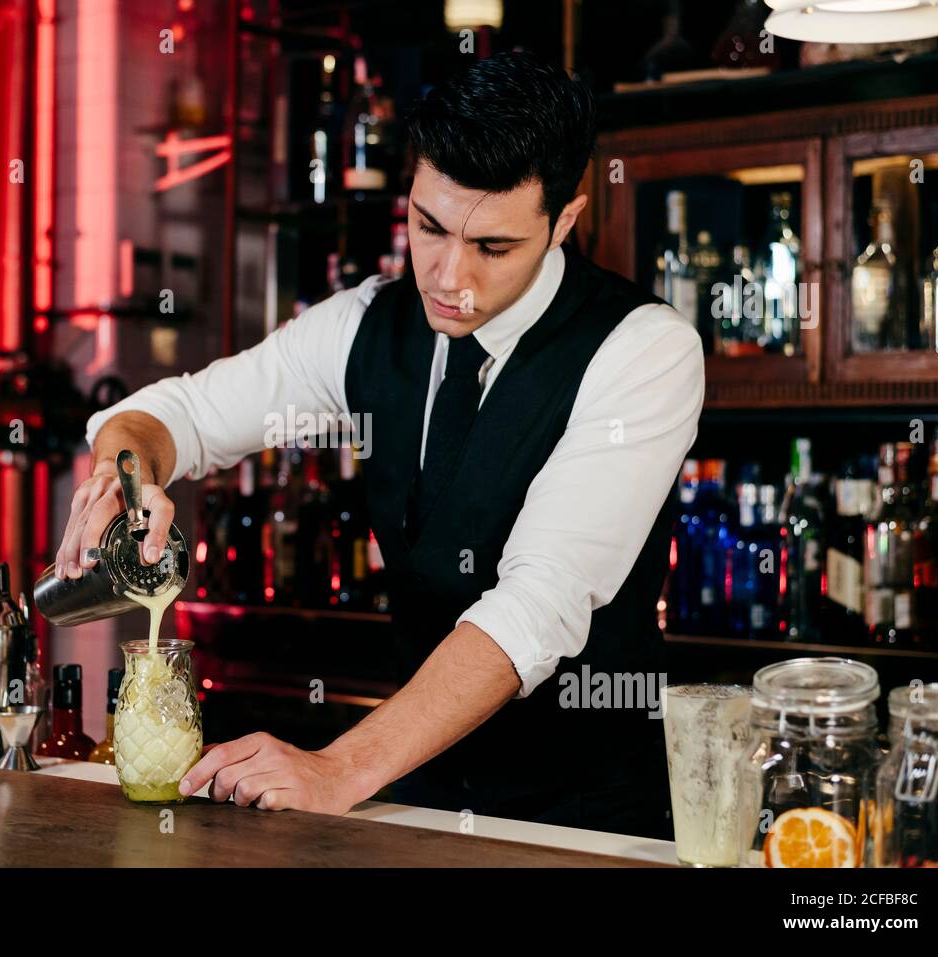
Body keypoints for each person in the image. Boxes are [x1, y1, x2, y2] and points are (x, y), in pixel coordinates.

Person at [53, 52, 703, 838]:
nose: (450, 275)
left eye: (493, 247)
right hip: (413, 805)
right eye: (428, 226)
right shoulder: (365, 324)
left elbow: (538, 605)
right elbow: (179, 415)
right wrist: (129, 475)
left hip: (581, 823)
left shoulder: (643, 351)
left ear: (564, 219)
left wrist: (338, 765)